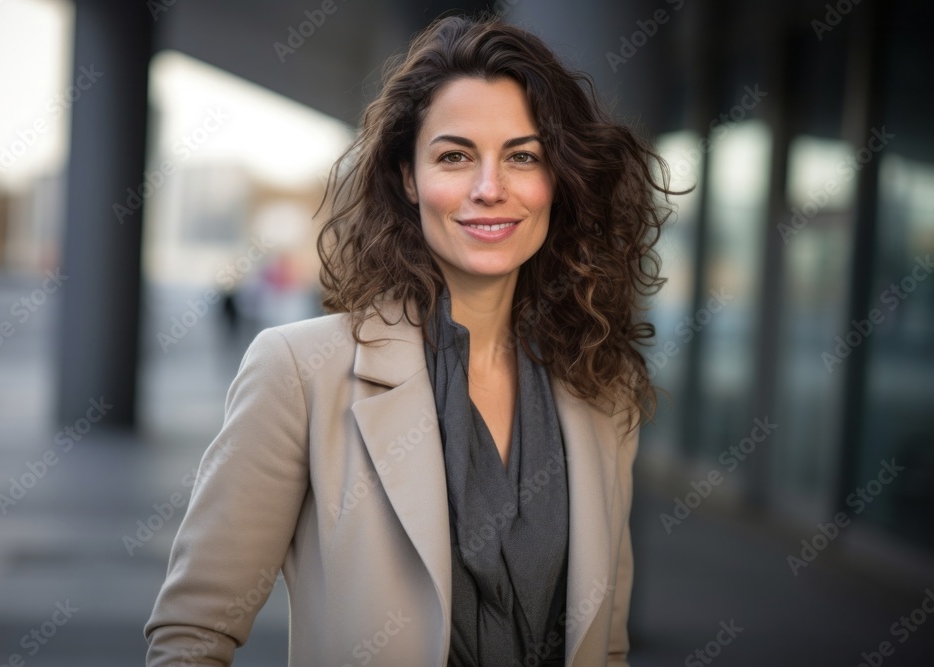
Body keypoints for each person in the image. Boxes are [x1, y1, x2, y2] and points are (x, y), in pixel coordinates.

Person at [145, 12, 673, 667]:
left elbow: (607, 643)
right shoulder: (301, 371)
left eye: (523, 156)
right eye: (455, 156)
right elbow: (192, 634)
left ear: (557, 180)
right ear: (406, 176)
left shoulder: (603, 388)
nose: (489, 189)